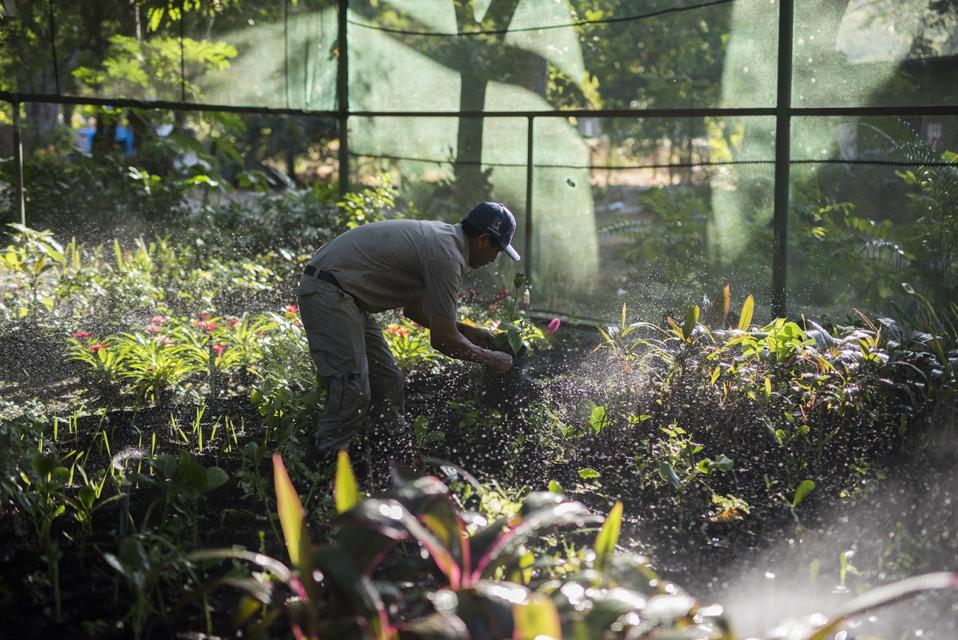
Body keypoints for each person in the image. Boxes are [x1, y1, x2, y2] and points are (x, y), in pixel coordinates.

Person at [296, 201, 519, 467]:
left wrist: (466, 331)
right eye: (497, 250)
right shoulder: (447, 257)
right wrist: (492, 359)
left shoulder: (444, 241)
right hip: (330, 291)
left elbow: (414, 310)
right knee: (352, 385)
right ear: (483, 239)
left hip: (348, 296)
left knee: (388, 380)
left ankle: (387, 459)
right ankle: (321, 466)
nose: (494, 260)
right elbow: (443, 341)